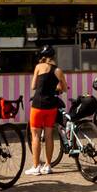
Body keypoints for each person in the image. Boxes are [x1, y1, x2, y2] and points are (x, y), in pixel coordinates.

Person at [26, 46, 65, 176]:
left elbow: (33, 86)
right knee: (49, 136)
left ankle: (36, 166)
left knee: (35, 136)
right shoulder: (58, 70)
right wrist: (57, 87)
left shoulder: (38, 67)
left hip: (37, 105)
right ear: (53, 56)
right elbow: (63, 88)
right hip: (51, 106)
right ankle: (48, 165)